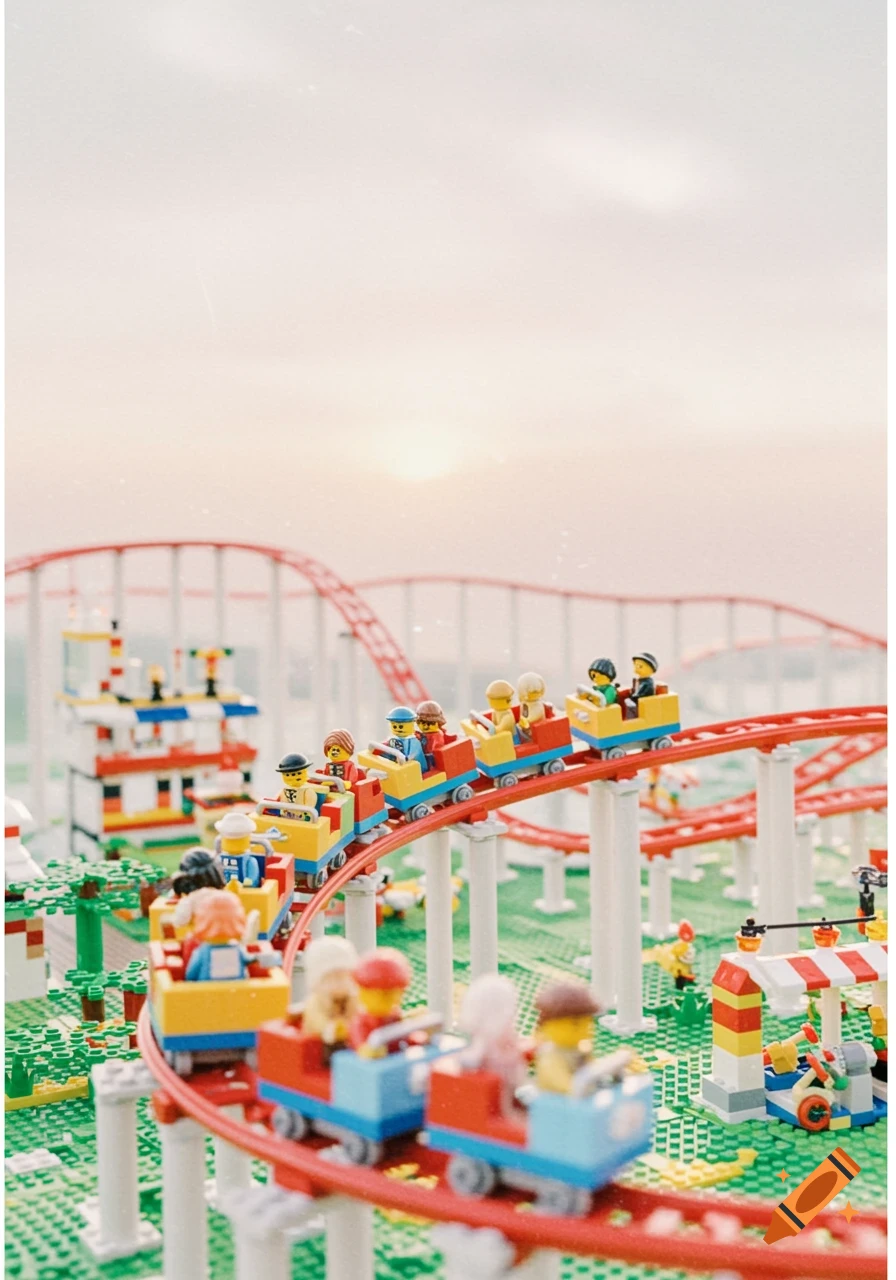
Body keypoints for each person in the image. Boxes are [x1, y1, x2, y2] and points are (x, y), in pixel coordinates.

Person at [458, 974, 527, 1112]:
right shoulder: (484, 1043)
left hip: (512, 1090)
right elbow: (469, 1061)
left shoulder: (506, 1038)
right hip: (497, 1102)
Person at [184, 890, 278, 981]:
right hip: (236, 992)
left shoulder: (202, 952)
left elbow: (190, 975)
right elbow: (251, 959)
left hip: (207, 994)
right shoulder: (237, 949)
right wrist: (269, 958)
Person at [533, 981, 601, 1094]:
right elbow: (570, 1088)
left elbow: (593, 1069)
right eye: (575, 1024)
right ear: (548, 1025)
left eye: (588, 1021)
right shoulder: (551, 1059)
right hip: (557, 1105)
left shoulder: (582, 1048)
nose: (586, 1027)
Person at [301, 936, 359, 1059]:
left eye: (344, 977)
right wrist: (331, 1029)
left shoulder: (352, 998)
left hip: (349, 1048)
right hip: (320, 1050)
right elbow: (318, 1022)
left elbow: (359, 1014)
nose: (341, 983)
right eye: (333, 978)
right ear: (318, 982)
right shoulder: (316, 1003)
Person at [349, 947, 412, 1057]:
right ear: (363, 994)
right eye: (385, 995)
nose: (392, 1000)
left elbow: (403, 1038)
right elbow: (362, 1048)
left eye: (396, 994)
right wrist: (369, 1051)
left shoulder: (394, 1016)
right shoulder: (361, 1022)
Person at [276, 752, 320, 819]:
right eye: (287, 775)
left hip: (302, 819)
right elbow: (276, 802)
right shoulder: (283, 791)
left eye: (297, 774)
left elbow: (309, 808)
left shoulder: (307, 792)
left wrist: (304, 815)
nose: (291, 777)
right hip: (285, 817)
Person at [415, 700, 447, 769]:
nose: (425, 727)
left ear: (438, 722)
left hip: (431, 762)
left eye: (430, 724)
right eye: (422, 723)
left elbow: (436, 749)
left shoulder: (437, 735)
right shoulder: (424, 734)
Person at [517, 671, 547, 742]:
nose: (535, 694)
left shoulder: (538, 705)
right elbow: (523, 714)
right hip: (526, 730)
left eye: (536, 692)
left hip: (537, 733)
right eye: (532, 692)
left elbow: (531, 718)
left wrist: (522, 723)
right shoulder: (525, 703)